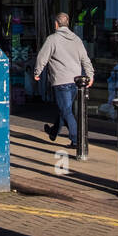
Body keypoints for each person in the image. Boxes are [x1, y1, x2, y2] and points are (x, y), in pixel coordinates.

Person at [34, 11, 94, 148]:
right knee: (64, 108)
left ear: (56, 24)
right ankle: (54, 132)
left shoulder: (52, 39)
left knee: (66, 110)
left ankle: (76, 139)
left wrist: (37, 72)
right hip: (76, 81)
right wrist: (90, 75)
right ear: (67, 24)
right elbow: (85, 59)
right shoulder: (77, 39)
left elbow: (42, 57)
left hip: (61, 81)